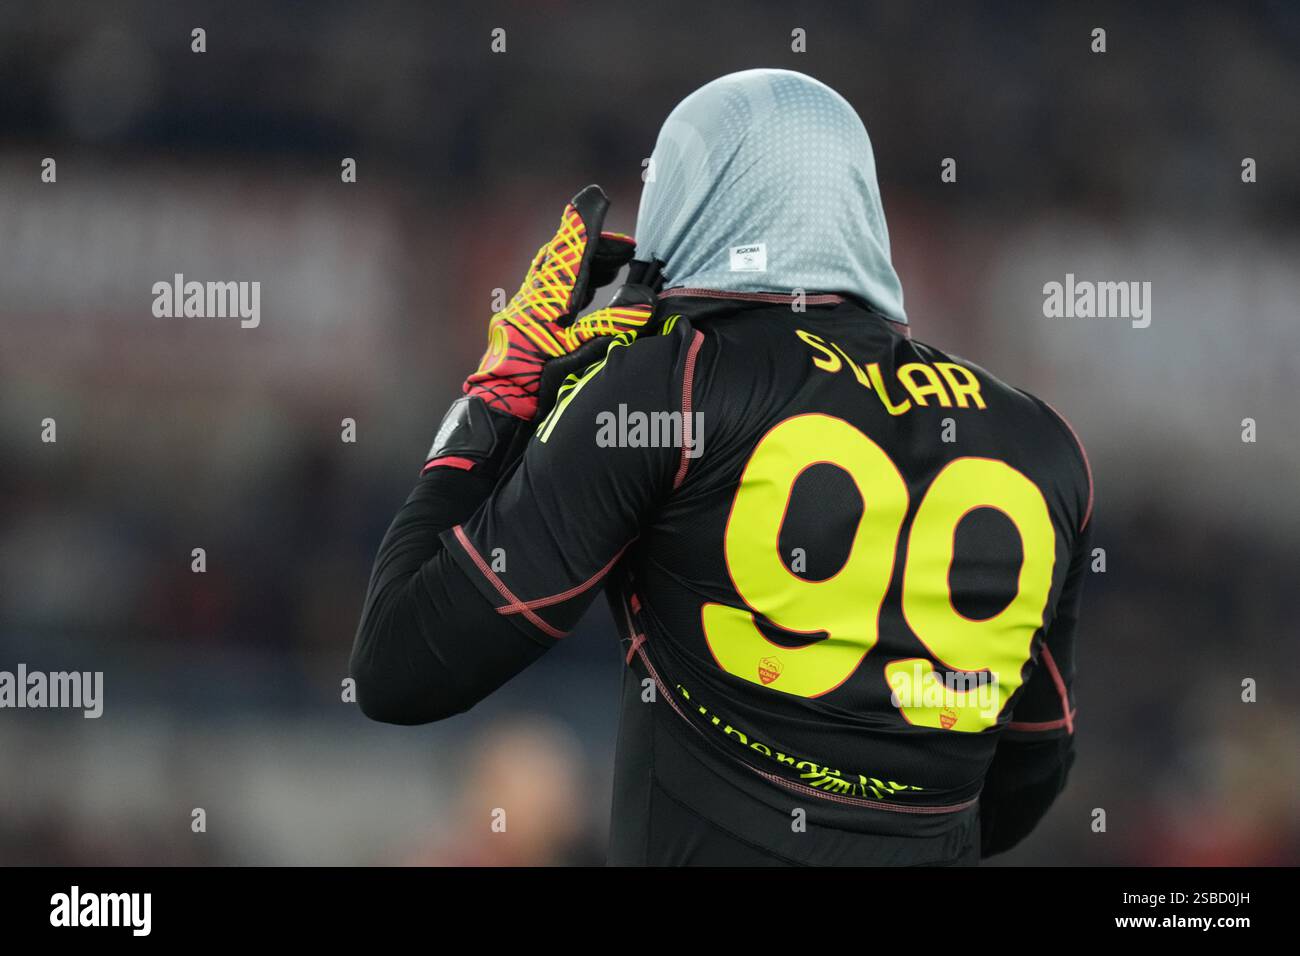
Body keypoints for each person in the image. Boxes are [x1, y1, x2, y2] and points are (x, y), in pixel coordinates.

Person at [350, 68, 1093, 865]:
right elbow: (1032, 768)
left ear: (682, 201)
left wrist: (497, 399)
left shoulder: (669, 385)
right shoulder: (1041, 438)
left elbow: (399, 669)